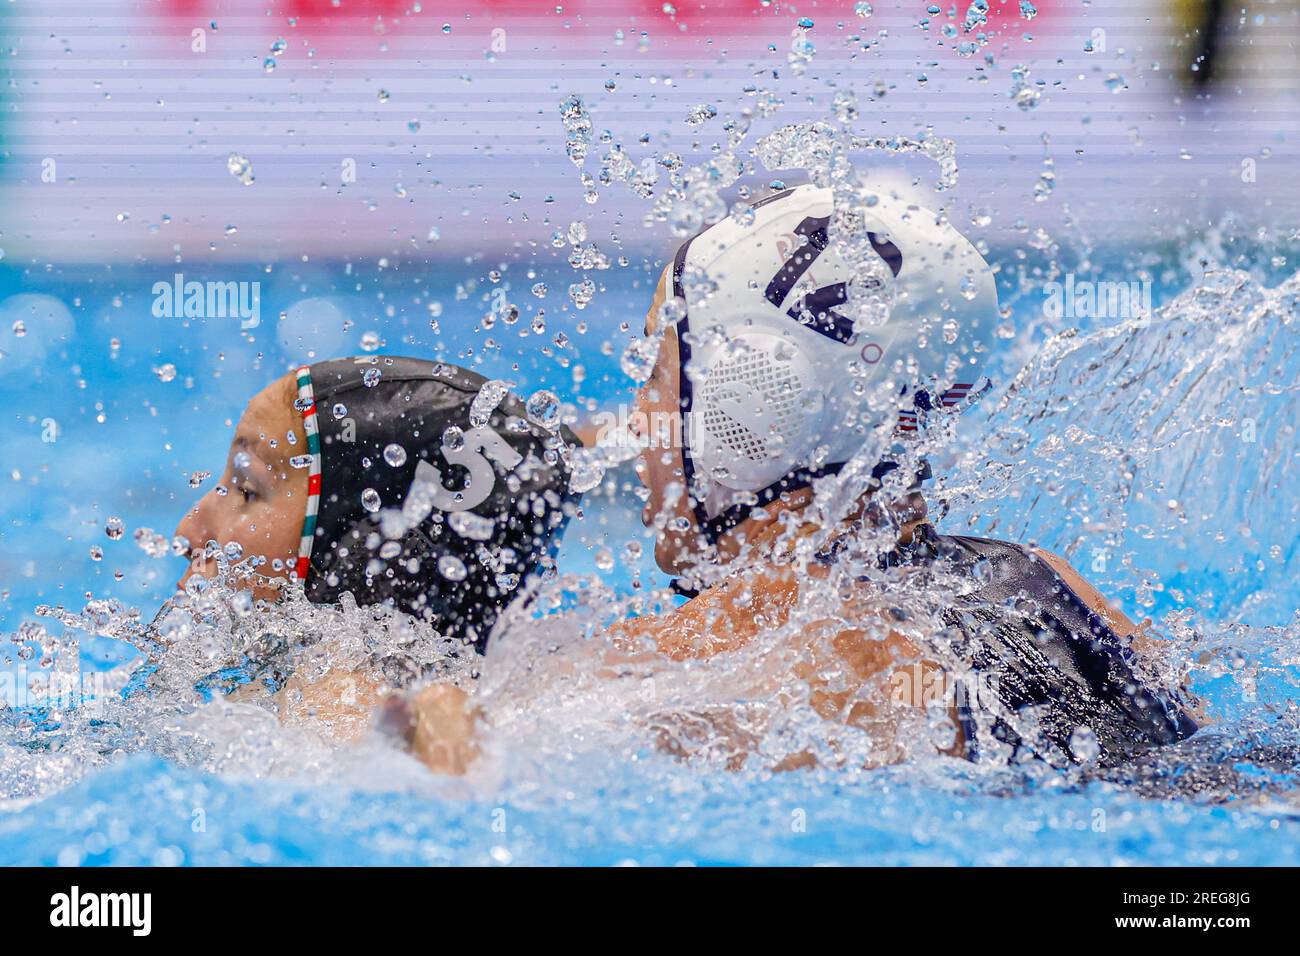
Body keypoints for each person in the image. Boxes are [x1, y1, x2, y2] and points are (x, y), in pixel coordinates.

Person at [388, 183, 1199, 773]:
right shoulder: (1040, 579)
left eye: (655, 369)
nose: (638, 419)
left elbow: (459, 760)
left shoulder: (753, 637)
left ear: (748, 409)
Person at [164, 356, 578, 741]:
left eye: (248, 489)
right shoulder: (547, 693)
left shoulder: (341, 715)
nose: (188, 532)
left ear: (362, 551)